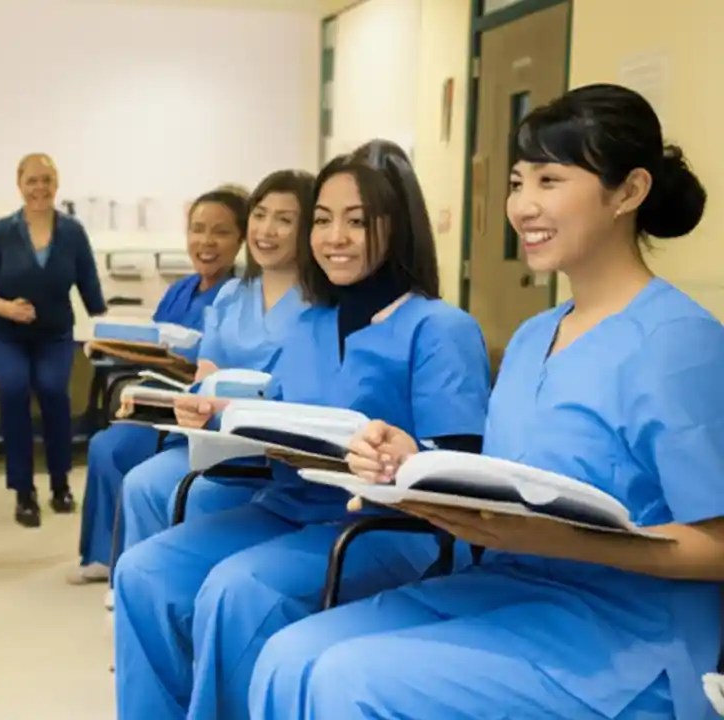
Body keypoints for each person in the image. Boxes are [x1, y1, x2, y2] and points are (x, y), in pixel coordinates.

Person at [251, 84, 724, 720]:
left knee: (349, 678)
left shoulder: (680, 343)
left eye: (550, 181)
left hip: (625, 636)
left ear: (630, 193)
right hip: (509, 589)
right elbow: (507, 479)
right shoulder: (534, 337)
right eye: (516, 182)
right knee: (288, 654)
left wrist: (566, 542)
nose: (523, 206)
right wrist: (413, 461)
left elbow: (717, 546)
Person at [113, 140, 492, 720]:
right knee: (143, 571)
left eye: (357, 221)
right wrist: (217, 416)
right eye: (322, 220)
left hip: (388, 527)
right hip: (287, 506)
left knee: (240, 590)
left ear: (399, 226)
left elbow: (461, 464)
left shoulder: (439, 328)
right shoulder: (311, 322)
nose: (333, 236)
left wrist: (404, 455)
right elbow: (276, 419)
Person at [117, 170, 315, 562]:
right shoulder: (230, 295)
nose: (267, 230)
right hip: (212, 440)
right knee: (141, 483)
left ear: (308, 228)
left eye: (284, 219)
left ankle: (183, 593)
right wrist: (167, 402)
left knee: (192, 495)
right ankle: (138, 584)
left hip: (268, 451)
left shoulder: (322, 306)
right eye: (260, 215)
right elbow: (204, 377)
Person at [72, 187, 247, 585]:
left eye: (220, 232)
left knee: (119, 449)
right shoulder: (179, 289)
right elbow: (154, 343)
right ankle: (103, 554)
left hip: (196, 414)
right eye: (198, 229)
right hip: (157, 401)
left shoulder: (241, 295)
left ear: (240, 239)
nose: (206, 241)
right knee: (103, 444)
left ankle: (131, 561)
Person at [0, 152, 108, 527]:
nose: (39, 188)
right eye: (32, 180)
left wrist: (109, 330)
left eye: (46, 180)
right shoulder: (1, 231)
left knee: (52, 390)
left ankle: (60, 484)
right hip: (4, 335)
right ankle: (24, 491)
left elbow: (91, 290)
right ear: (20, 184)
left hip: (54, 335)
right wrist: (8, 308)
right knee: (13, 388)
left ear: (56, 184)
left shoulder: (73, 232)